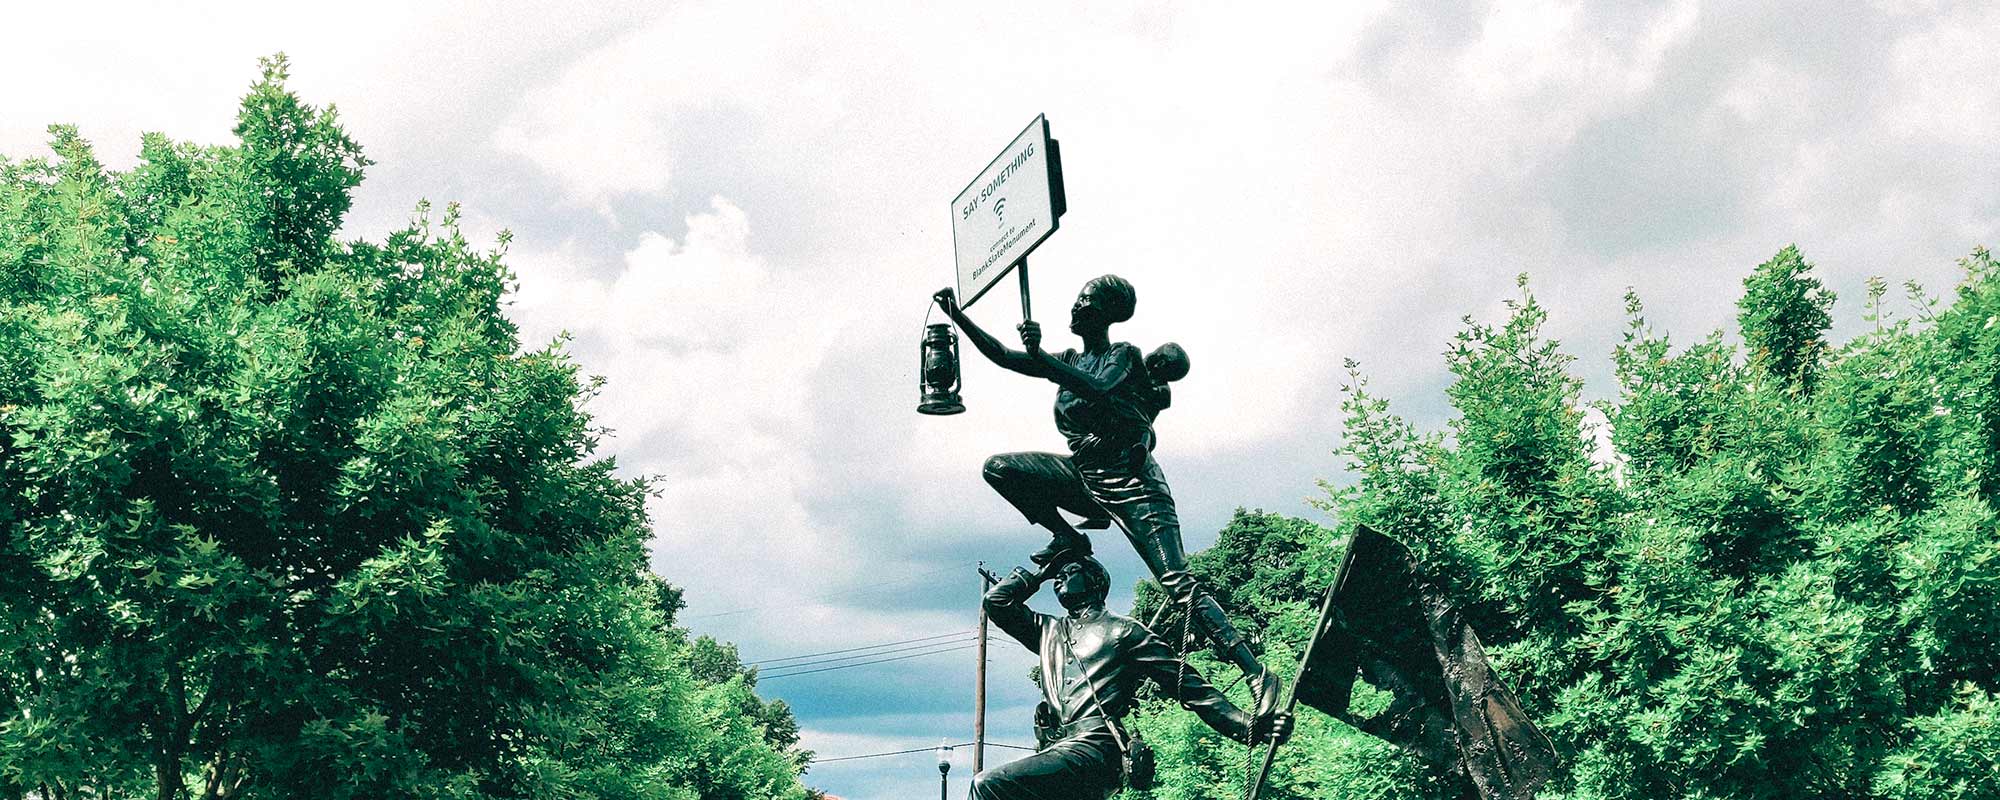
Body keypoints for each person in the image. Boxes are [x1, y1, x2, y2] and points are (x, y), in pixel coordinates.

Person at [932, 275, 1284, 730]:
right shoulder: (1068, 359)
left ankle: (1255, 671)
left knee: (1176, 582)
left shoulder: (1125, 356)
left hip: (1133, 482)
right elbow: (1003, 355)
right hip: (1084, 476)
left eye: (1087, 301)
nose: (1076, 306)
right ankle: (1067, 537)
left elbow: (1099, 389)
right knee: (1000, 468)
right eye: (1078, 298)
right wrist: (958, 317)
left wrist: (1042, 358)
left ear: (1108, 313)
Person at [971, 556, 1291, 800]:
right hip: (1058, 748)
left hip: (1096, 749)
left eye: (1070, 571)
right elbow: (996, 602)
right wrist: (1041, 571)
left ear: (1095, 581)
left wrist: (1247, 726)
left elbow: (1189, 686)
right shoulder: (1048, 631)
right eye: (1057, 575)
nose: (1059, 579)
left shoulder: (1124, 631)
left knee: (988, 784)